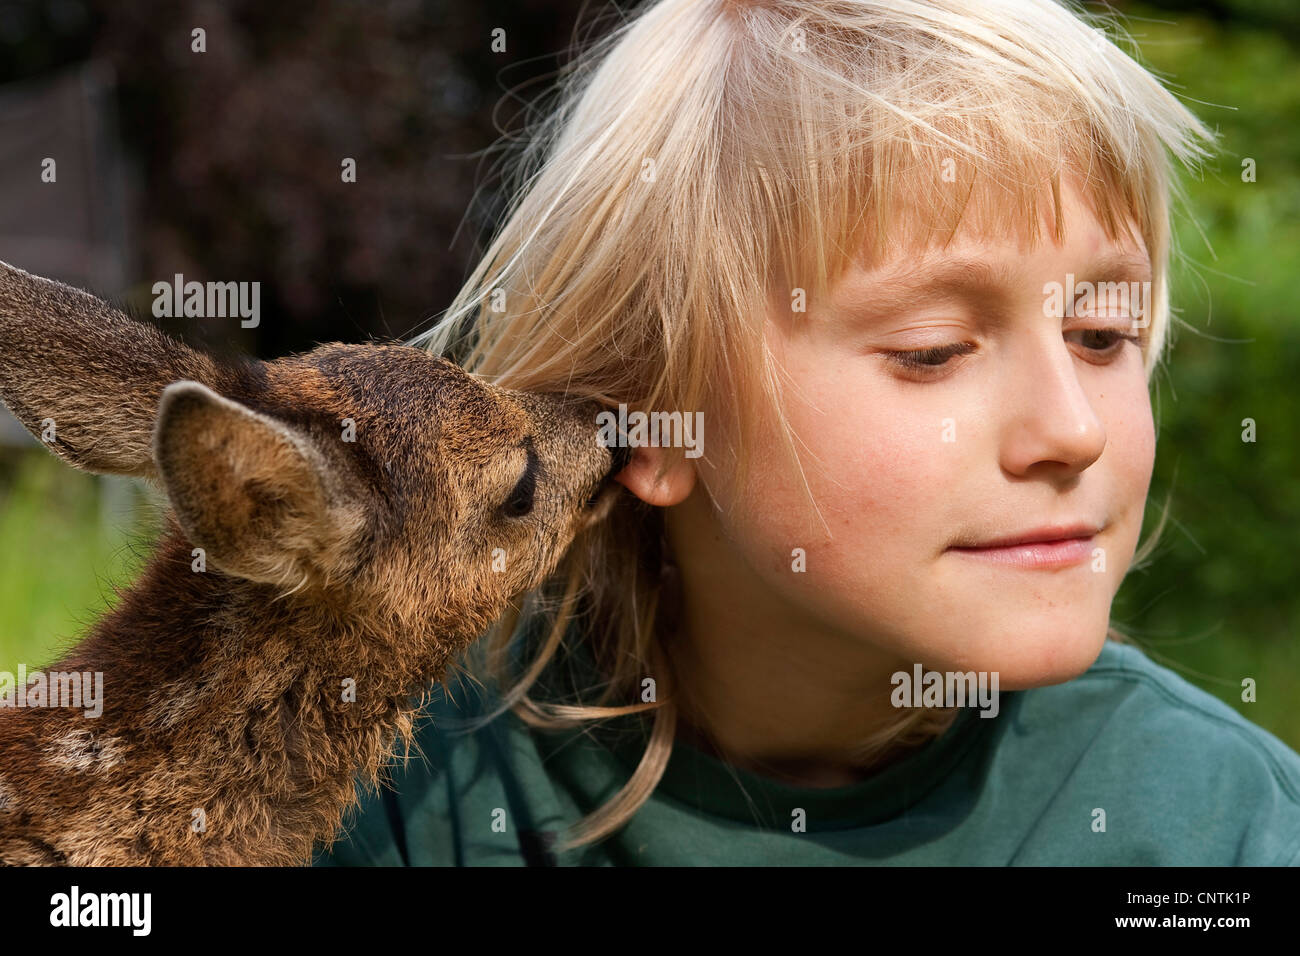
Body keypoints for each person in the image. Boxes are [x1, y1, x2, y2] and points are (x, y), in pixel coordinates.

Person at [312, 0, 1300, 866]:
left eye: (1100, 333)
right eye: (933, 348)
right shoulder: (397, 787)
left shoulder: (1222, 825)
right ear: (645, 422)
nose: (1071, 429)